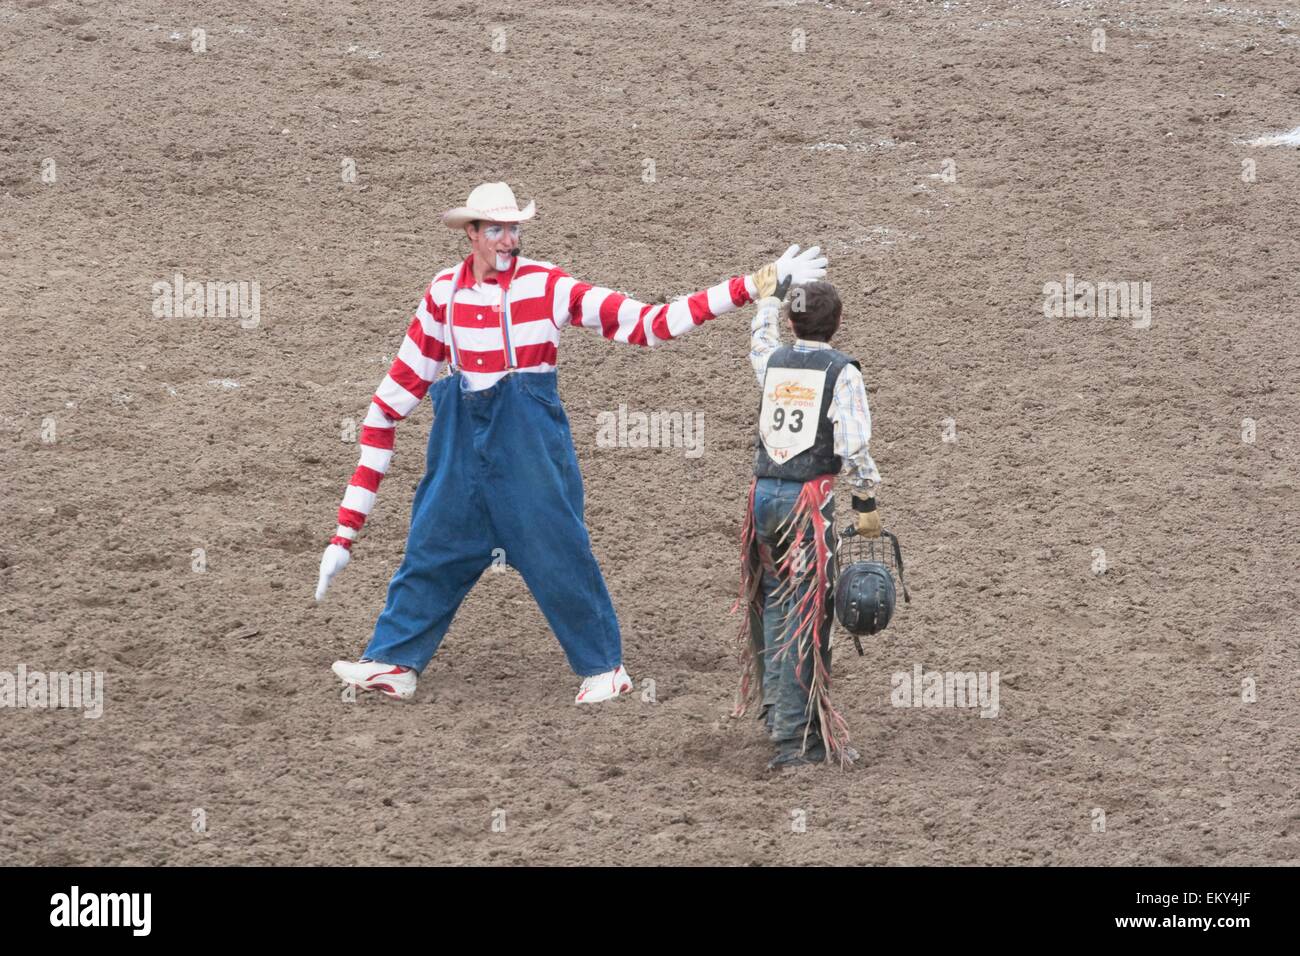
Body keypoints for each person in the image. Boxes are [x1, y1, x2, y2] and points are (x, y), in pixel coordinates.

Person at [315, 182, 828, 705]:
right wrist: (345, 532)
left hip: (529, 456)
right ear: (470, 234)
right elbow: (389, 404)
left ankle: (605, 668)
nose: (509, 239)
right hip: (459, 458)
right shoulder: (441, 295)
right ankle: (393, 661)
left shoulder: (550, 286)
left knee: (557, 552)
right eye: (497, 229)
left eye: (514, 228)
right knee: (431, 549)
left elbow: (650, 324)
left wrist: (752, 285)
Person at [734, 275, 881, 767]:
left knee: (773, 600)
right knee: (806, 614)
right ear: (837, 323)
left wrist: (768, 299)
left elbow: (760, 340)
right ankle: (798, 742)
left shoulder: (775, 361)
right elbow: (853, 443)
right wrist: (865, 503)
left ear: (793, 320)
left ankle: (778, 712)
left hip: (763, 499)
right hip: (806, 505)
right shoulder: (842, 372)